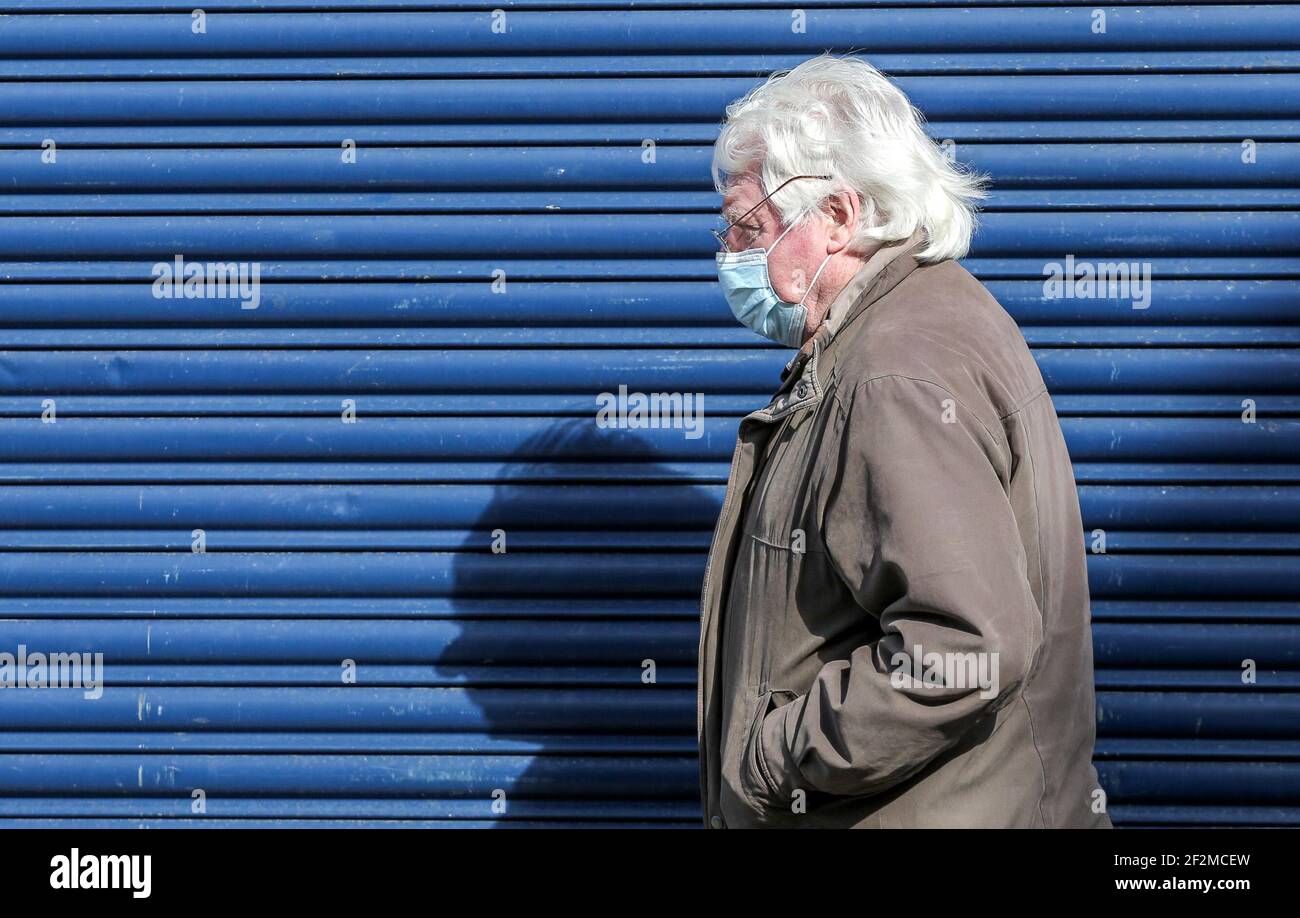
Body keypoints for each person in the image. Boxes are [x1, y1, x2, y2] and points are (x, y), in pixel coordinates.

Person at [698, 54, 1112, 828]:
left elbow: (967, 645)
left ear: (841, 216)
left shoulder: (894, 373)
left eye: (748, 226)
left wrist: (766, 759)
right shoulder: (919, 327)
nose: (728, 252)